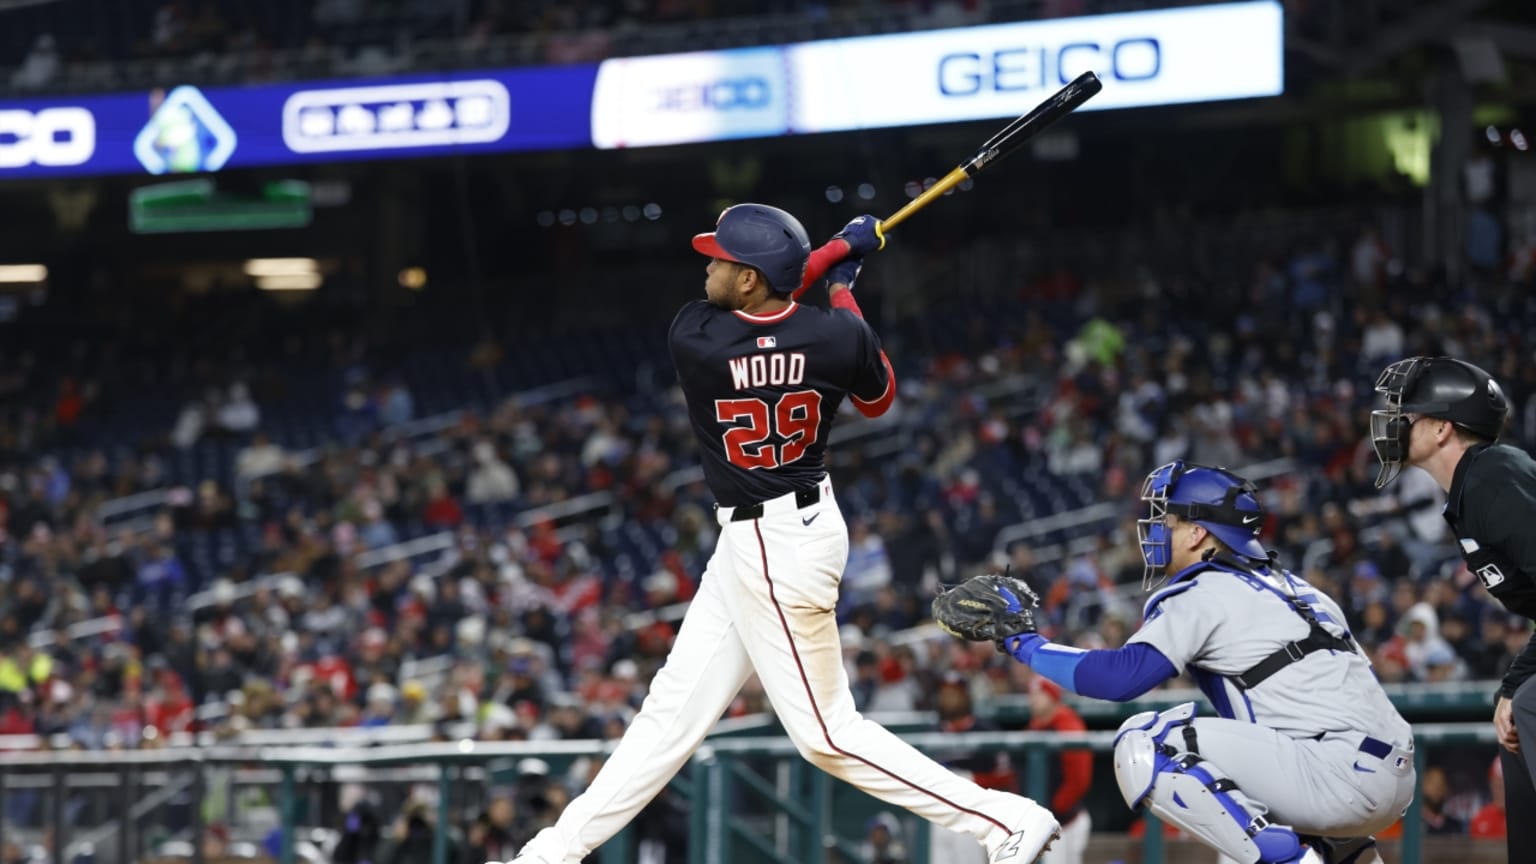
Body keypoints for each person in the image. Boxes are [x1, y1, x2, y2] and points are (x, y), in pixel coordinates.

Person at [497, 204, 1059, 864]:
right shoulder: (834, 335)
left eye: (722, 260)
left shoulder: (696, 337)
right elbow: (879, 396)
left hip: (774, 547)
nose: (708, 265)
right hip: (790, 529)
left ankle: (1006, 821)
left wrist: (832, 249)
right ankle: (546, 856)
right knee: (667, 718)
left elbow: (782, 291)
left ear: (749, 282)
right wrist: (845, 284)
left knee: (826, 733)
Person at [934, 461, 1416, 864]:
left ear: (1198, 533)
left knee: (1148, 742)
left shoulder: (1206, 589)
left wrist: (1024, 643)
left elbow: (1121, 678)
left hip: (1333, 772)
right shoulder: (1302, 591)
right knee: (1260, 794)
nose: (1158, 530)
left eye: (1168, 520)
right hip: (1385, 771)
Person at [1368, 354, 1529, 860]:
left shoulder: (1491, 477)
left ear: (1441, 429)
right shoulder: (1473, 486)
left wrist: (1517, 684)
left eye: (1408, 415)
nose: (1395, 424)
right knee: (1519, 719)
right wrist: (1514, 683)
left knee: (1531, 704)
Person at [1024, 677, 1092, 864]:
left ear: (1052, 696)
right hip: (1043, 823)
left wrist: (1054, 809)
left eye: (1040, 694)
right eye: (1032, 694)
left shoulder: (1068, 724)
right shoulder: (1035, 726)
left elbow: (1080, 780)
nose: (1034, 699)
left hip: (1065, 824)